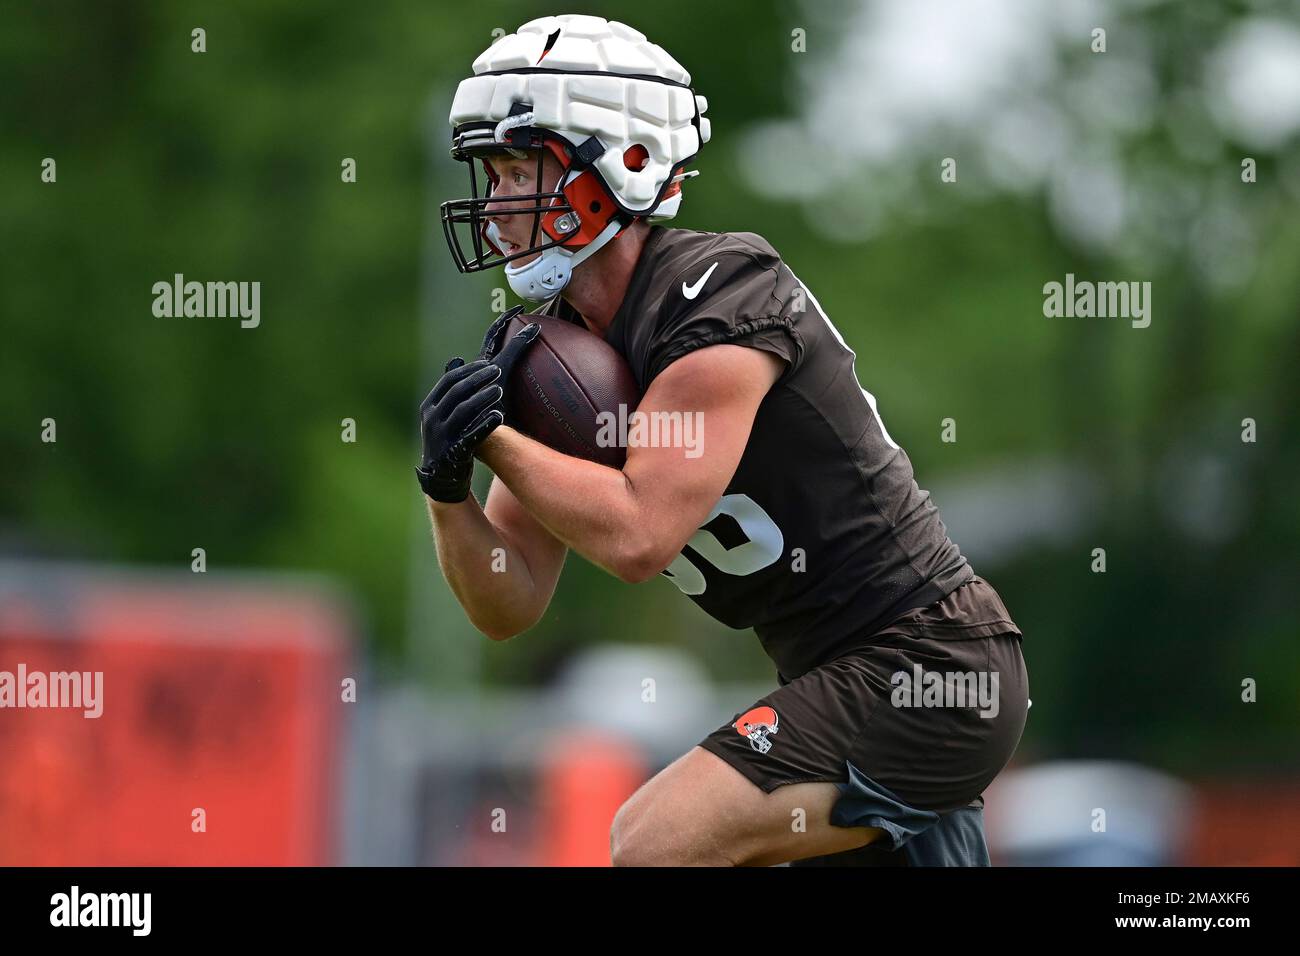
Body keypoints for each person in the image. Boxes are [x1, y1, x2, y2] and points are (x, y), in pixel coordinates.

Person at [419, 14, 1028, 866]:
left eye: (523, 169)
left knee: (654, 839)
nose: (498, 204)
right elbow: (507, 602)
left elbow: (638, 535)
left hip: (925, 664)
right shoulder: (551, 349)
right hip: (832, 677)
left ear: (620, 160)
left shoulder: (719, 295)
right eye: (495, 173)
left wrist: (497, 443)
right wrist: (446, 488)